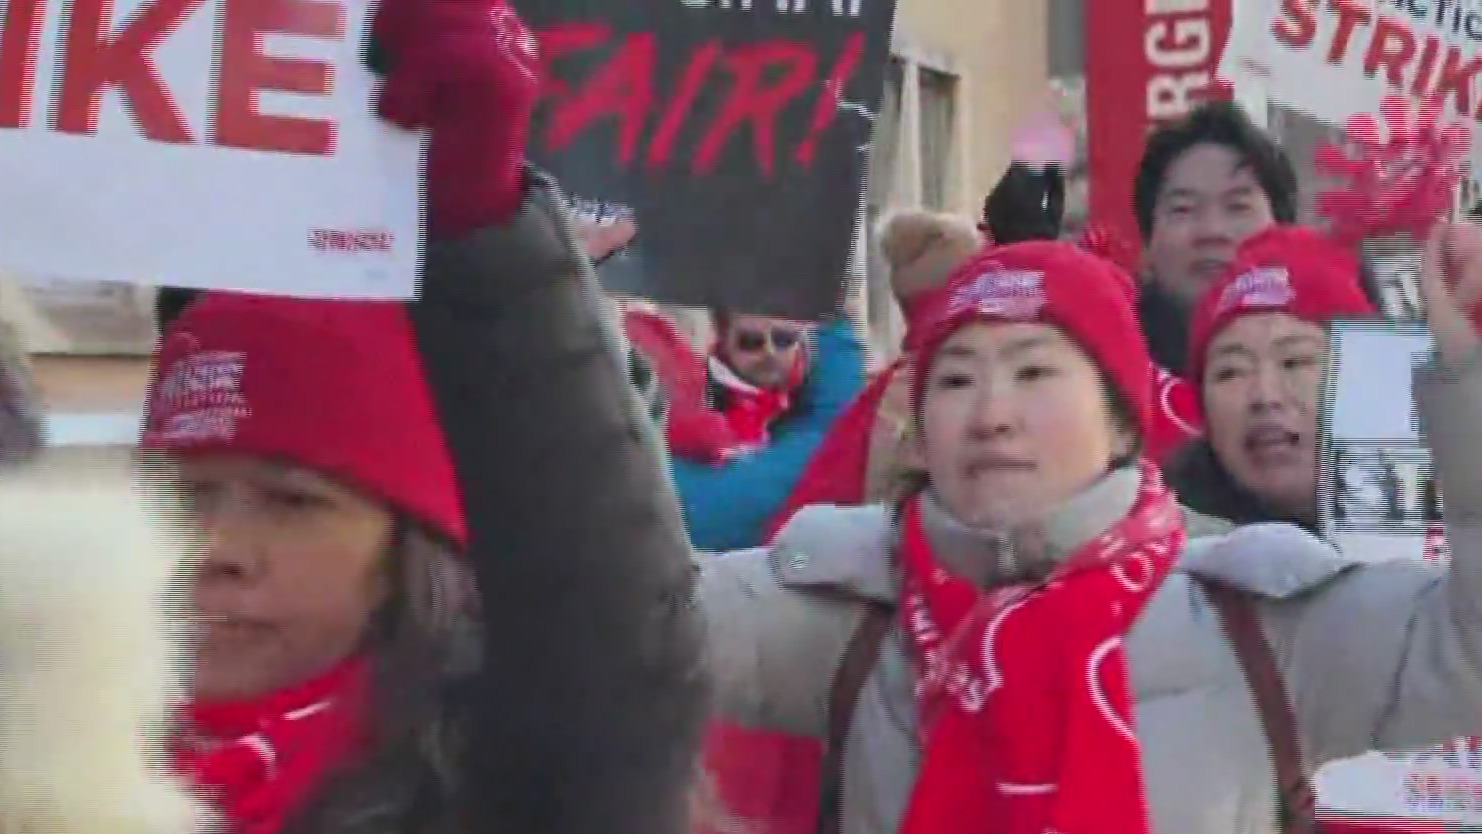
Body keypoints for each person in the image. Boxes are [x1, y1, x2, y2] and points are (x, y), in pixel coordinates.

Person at [697, 231, 1482, 834]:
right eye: (958, 378)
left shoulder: (1258, 624)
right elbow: (627, 606)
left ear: (1118, 421)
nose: (992, 412)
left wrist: (1471, 372)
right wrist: (577, 311)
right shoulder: (852, 615)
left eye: (1035, 373)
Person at [144, 4, 706, 834]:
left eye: (294, 500)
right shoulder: (45, 751)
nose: (213, 551)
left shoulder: (510, 785)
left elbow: (602, 624)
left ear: (414, 563)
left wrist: (479, 226)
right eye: (183, 497)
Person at [1168, 225, 1375, 528]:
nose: (1265, 396)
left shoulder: (1449, 528)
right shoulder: (1163, 558)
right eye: (1230, 372)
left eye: (1295, 362)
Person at [1135, 101, 1298, 376]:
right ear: (1149, 242)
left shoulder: (1331, 362)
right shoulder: (1107, 375)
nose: (1212, 231)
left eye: (1238, 207)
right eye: (1183, 209)